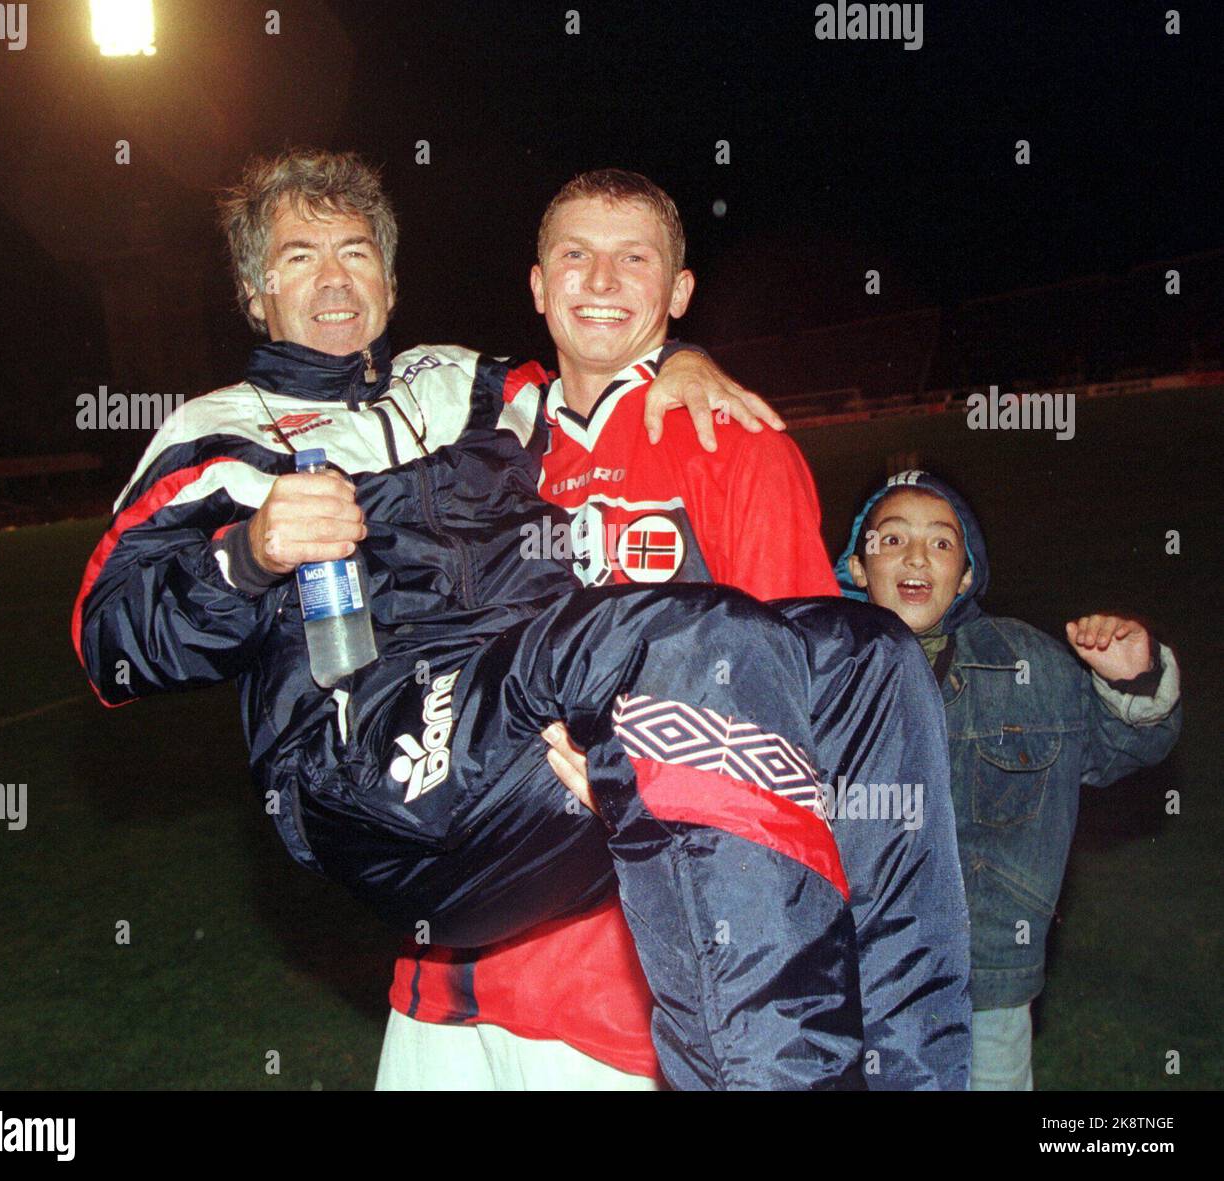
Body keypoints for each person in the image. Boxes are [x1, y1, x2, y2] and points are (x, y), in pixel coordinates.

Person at [73, 148, 875, 1090]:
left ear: (391, 276)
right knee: (648, 648)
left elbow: (601, 355)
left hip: (534, 904)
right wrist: (246, 554)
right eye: (299, 257)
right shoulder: (210, 436)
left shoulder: (467, 388)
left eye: (357, 251)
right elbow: (112, 644)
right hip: (358, 782)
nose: (335, 278)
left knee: (769, 672)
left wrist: (684, 357)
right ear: (254, 291)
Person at [378, 171, 971, 1091]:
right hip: (450, 963)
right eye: (576, 255)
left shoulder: (737, 446)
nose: (603, 280)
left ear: (678, 292)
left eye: (634, 259)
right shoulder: (469, 436)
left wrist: (646, 764)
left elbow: (802, 729)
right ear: (538, 286)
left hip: (628, 988)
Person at [837, 469, 1182, 1089]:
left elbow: (1124, 747)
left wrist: (1133, 680)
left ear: (967, 574)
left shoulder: (1029, 665)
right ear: (858, 566)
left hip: (986, 984)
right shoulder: (818, 664)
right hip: (854, 980)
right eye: (890, 540)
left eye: (942, 543)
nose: (916, 555)